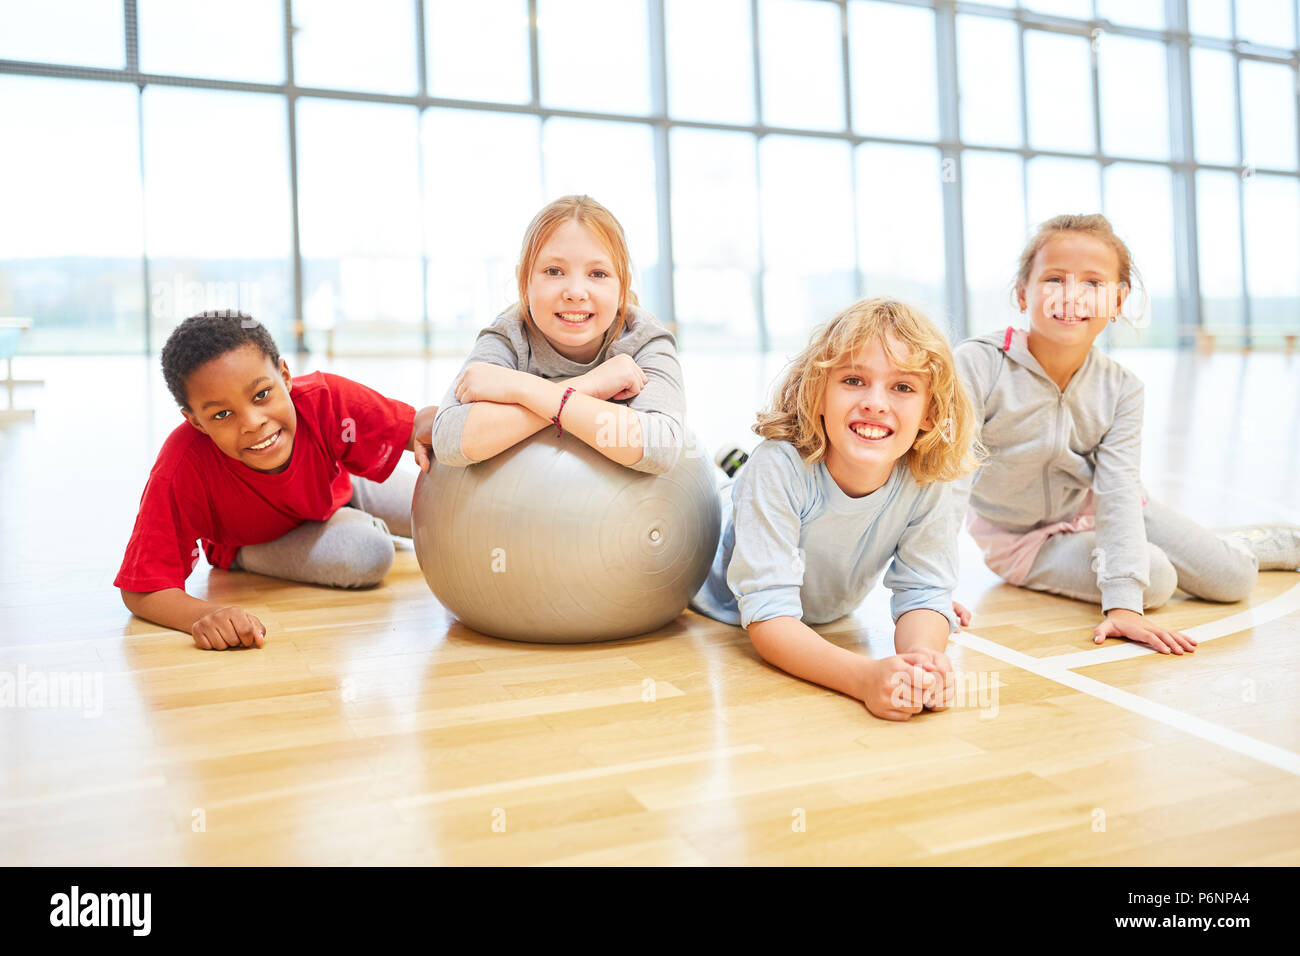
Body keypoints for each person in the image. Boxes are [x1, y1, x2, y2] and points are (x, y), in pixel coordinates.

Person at [953, 213, 1300, 655]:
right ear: (1023, 293)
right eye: (1055, 279)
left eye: (1093, 284)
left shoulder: (1122, 388)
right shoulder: (978, 365)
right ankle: (1160, 557)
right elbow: (949, 477)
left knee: (1235, 579)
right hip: (1023, 542)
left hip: (1107, 508)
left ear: (1117, 302)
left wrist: (1124, 587)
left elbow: (1117, 491)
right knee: (1152, 581)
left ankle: (1244, 542)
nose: (1072, 295)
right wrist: (932, 587)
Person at [691, 298, 979, 721]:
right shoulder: (779, 467)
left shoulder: (924, 481)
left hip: (822, 605)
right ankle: (737, 472)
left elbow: (924, 592)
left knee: (752, 476)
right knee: (748, 477)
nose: (876, 403)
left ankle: (736, 466)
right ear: (817, 394)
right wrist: (864, 678)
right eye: (853, 380)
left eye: (902, 387)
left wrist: (922, 660)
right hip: (715, 584)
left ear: (929, 413)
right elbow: (770, 618)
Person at [115, 310, 438, 651]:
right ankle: (242, 558)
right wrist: (202, 614)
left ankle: (364, 516)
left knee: (438, 502)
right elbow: (141, 586)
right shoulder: (181, 465)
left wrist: (434, 423)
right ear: (196, 422)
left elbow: (417, 425)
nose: (253, 422)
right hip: (257, 539)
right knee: (369, 552)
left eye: (261, 395)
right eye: (221, 415)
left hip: (340, 487)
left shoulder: (323, 398)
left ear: (284, 376)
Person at [425, 195, 684, 474]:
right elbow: (450, 439)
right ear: (524, 282)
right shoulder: (509, 336)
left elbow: (661, 445)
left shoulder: (643, 339)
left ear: (622, 288)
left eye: (597, 273)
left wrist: (519, 389)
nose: (575, 292)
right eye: (554, 271)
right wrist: (589, 385)